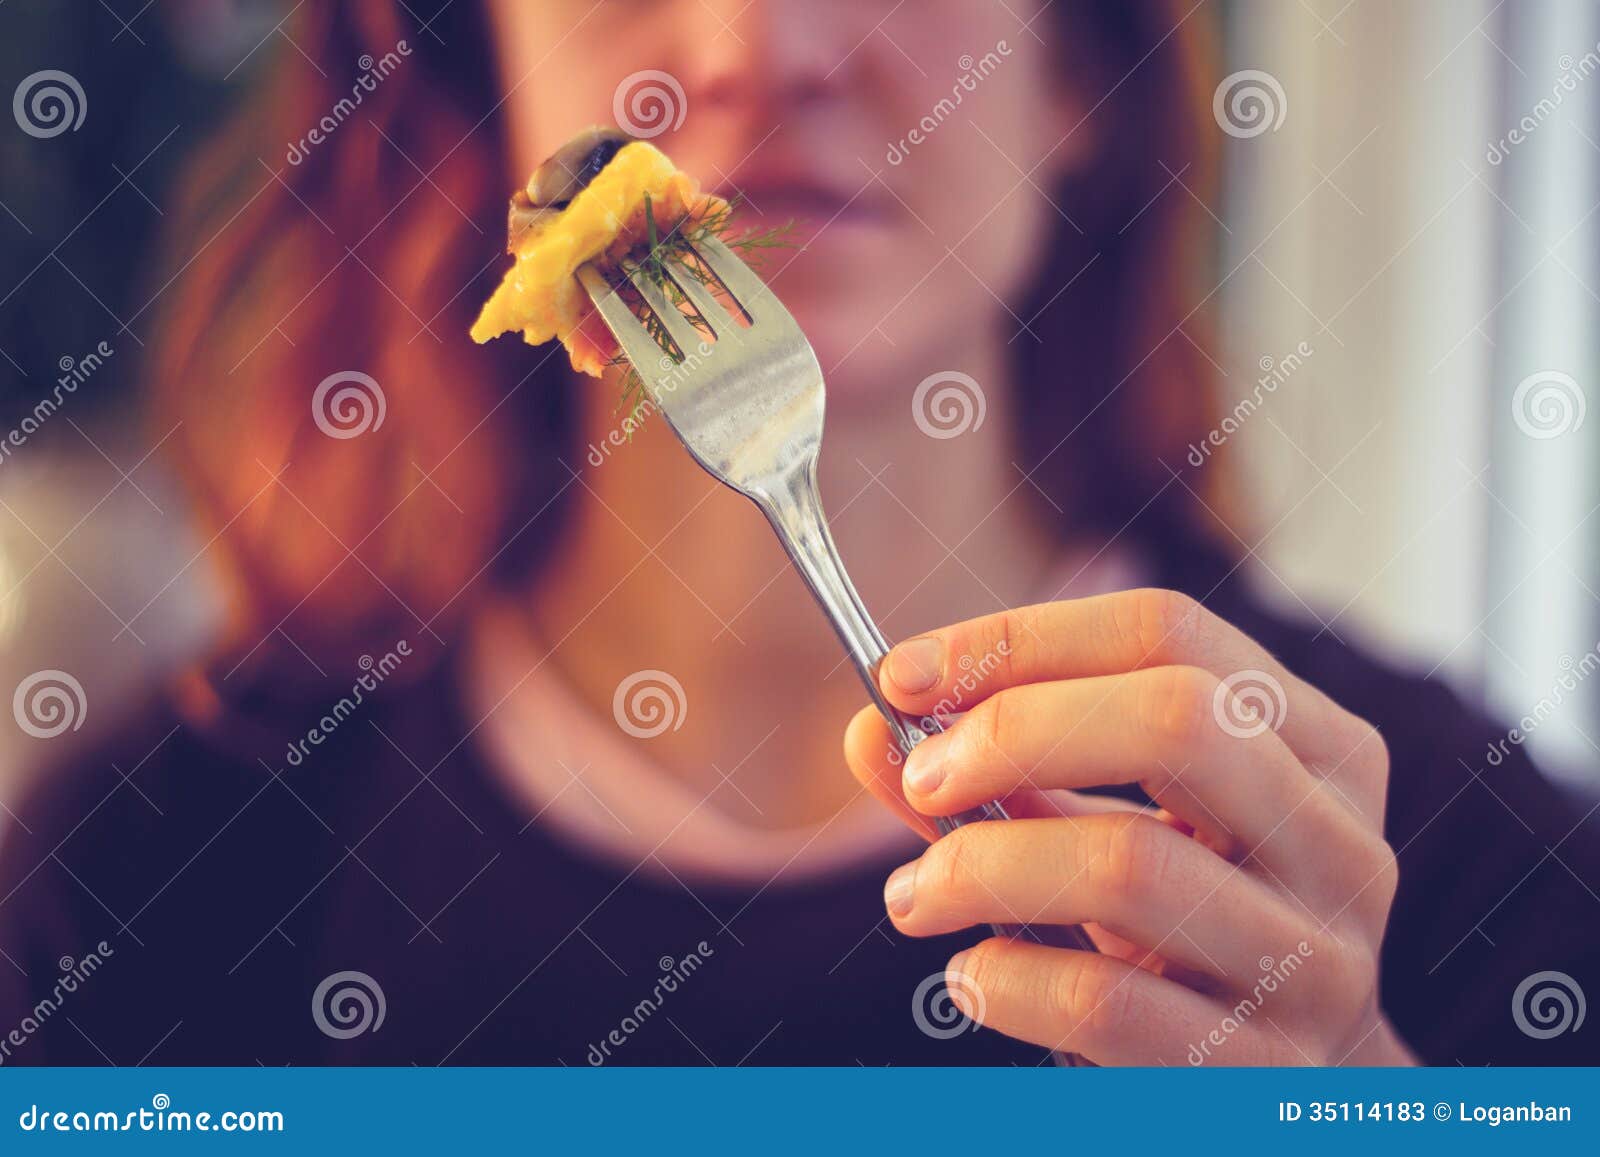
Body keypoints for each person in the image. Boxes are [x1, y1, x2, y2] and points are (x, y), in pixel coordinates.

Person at [0, 0, 1593, 1067]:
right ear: (483, 63)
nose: (760, 44)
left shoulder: (1432, 871)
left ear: (1078, 76)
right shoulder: (149, 889)